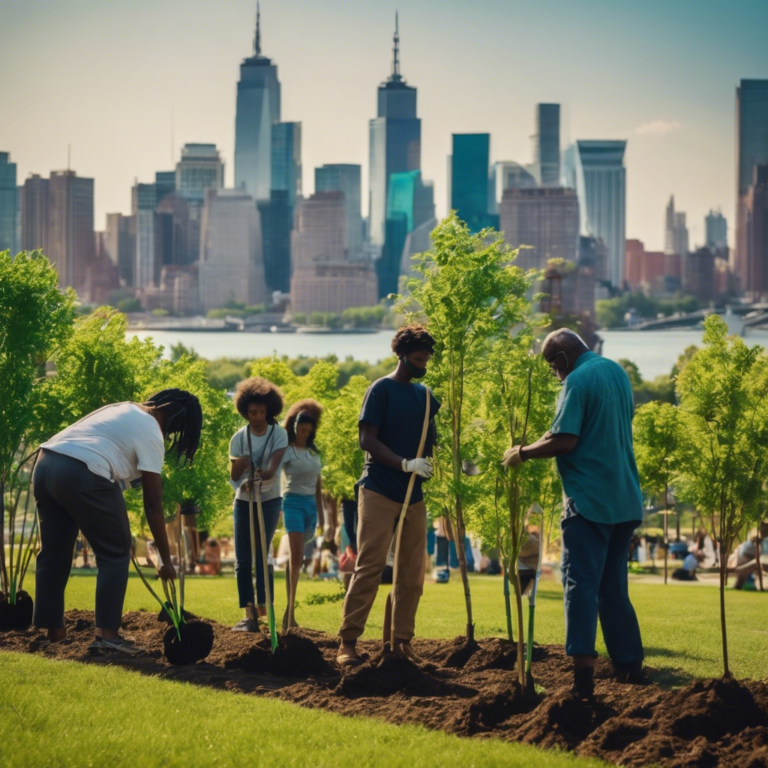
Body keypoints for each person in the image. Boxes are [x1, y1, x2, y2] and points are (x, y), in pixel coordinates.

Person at [502, 328, 644, 697]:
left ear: (562, 357)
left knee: (579, 584)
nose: (554, 373)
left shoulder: (577, 381)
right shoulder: (616, 372)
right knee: (613, 588)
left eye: (552, 365)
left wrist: (522, 452)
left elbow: (564, 440)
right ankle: (630, 665)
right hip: (625, 498)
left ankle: (582, 675)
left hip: (590, 503)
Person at [32, 389, 202, 654]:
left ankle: (52, 633)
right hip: (82, 471)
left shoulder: (125, 408)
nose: (172, 438)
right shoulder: (152, 432)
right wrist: (166, 562)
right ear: (176, 421)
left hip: (45, 465)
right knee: (116, 553)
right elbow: (153, 504)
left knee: (54, 553)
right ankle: (107, 636)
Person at [337, 324, 441, 666]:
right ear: (401, 355)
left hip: (414, 495)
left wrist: (426, 463)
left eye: (426, 360)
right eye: (416, 359)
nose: (422, 365)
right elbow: (367, 440)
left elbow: (430, 442)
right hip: (380, 488)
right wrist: (403, 463)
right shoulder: (380, 389)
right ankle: (348, 642)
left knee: (412, 573)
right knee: (371, 565)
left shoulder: (425, 396)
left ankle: (401, 643)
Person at [229, 377, 288, 632]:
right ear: (245, 412)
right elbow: (234, 475)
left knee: (263, 555)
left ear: (270, 411)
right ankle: (248, 613)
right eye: (252, 412)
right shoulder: (239, 438)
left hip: (270, 500)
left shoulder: (279, 433)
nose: (257, 417)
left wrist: (263, 473)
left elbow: (274, 466)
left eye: (262, 412)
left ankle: (266, 609)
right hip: (244, 500)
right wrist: (245, 478)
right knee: (243, 558)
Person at [281, 399, 325, 629]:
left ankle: (290, 611)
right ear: (294, 427)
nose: (304, 434)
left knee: (298, 559)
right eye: (301, 430)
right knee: (296, 557)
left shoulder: (313, 453)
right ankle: (290, 614)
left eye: (308, 431)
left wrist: (324, 517)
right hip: (292, 504)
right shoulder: (287, 451)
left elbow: (319, 488)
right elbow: (272, 473)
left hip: (311, 507)